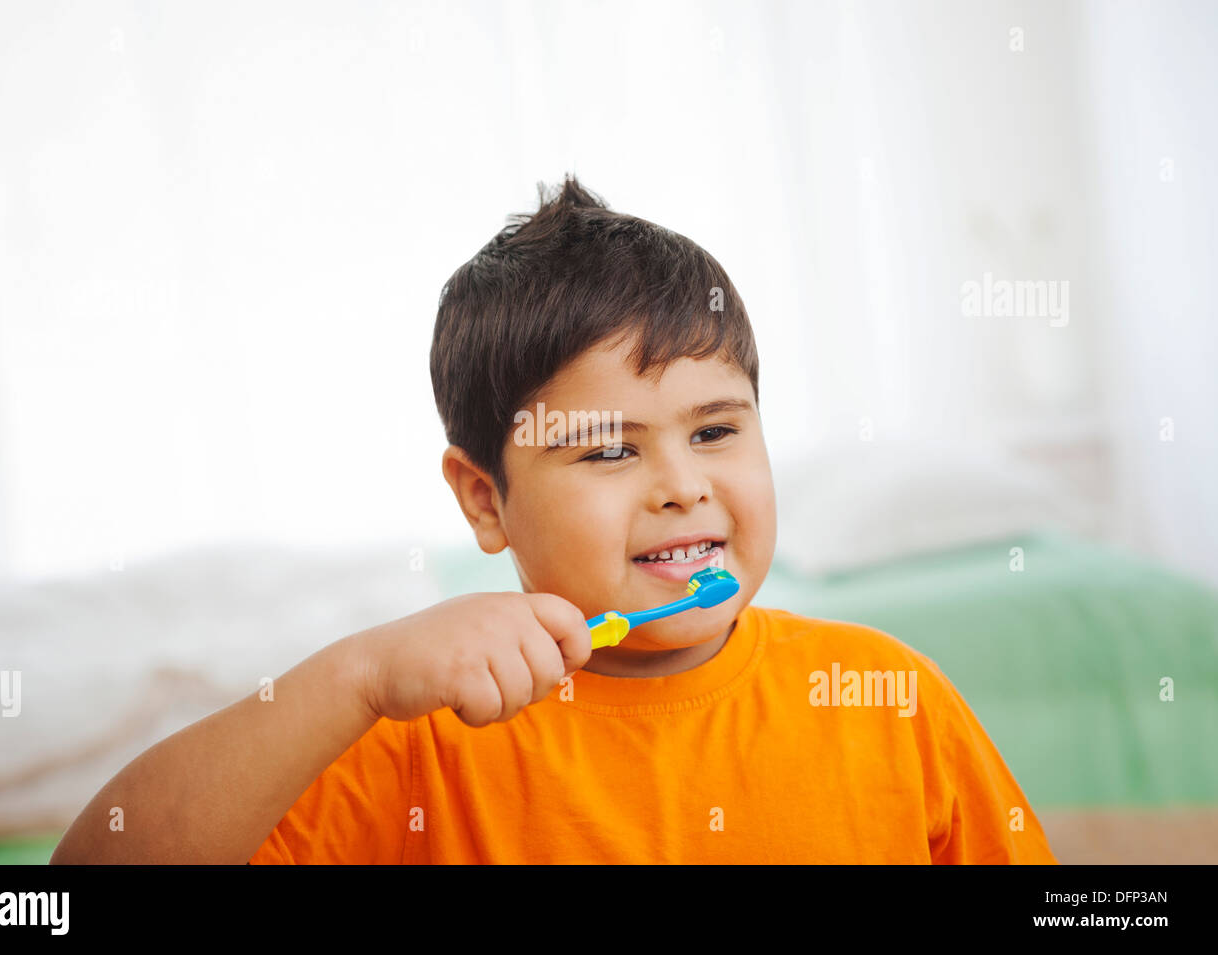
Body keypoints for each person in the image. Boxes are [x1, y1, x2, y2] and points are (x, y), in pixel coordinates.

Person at [51, 175, 1057, 864]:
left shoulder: (890, 698)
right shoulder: (415, 738)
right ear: (484, 498)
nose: (680, 485)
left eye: (714, 431)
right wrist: (353, 677)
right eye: (609, 449)